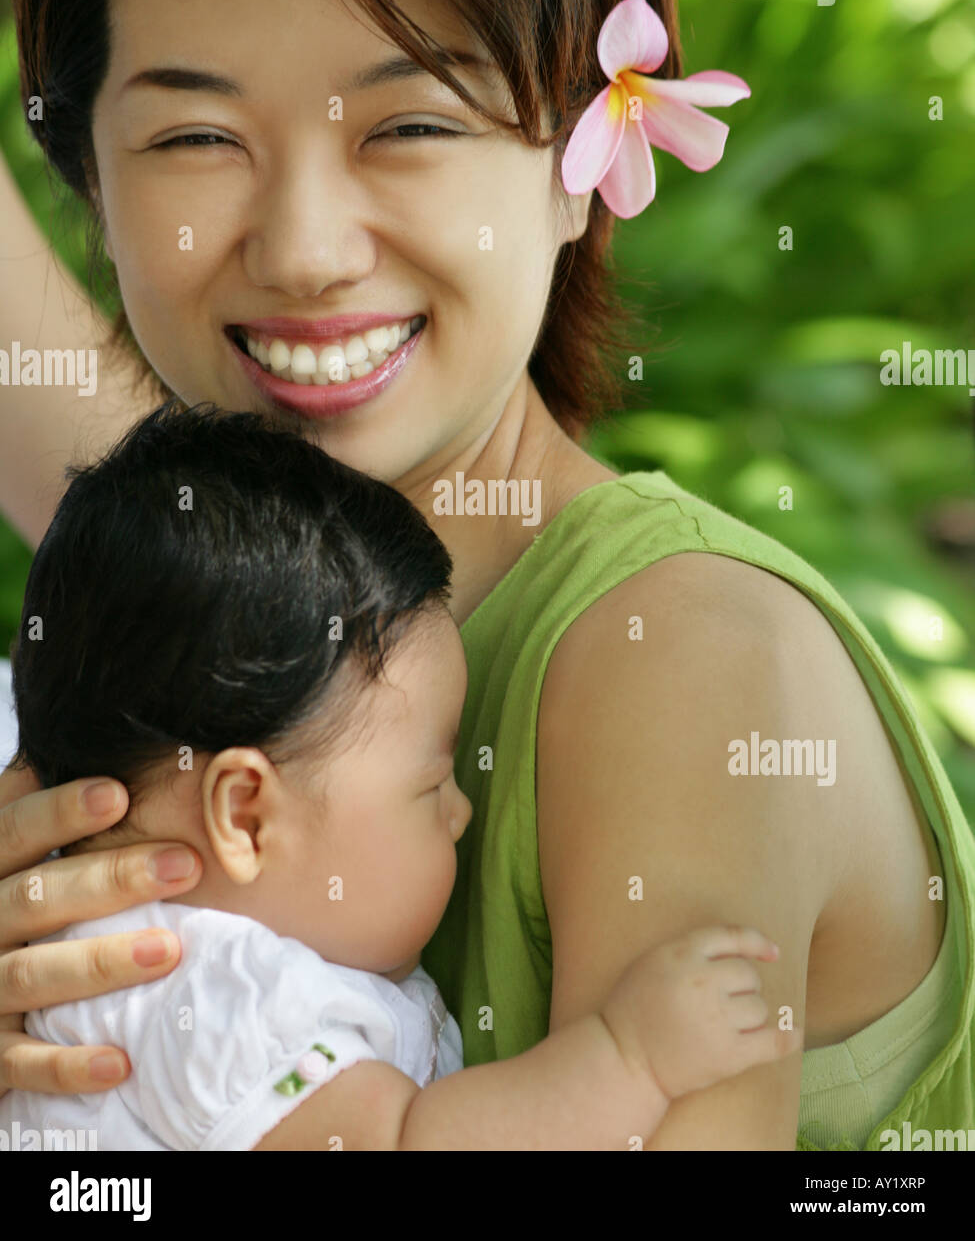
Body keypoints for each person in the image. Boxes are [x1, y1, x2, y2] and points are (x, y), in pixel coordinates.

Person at [0, 0, 972, 1151]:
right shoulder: (185, 577)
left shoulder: (681, 666)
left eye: (407, 125)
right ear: (90, 181)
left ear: (586, 155)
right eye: (193, 136)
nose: (301, 249)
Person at [0, 399, 793, 1149]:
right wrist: (628, 1058)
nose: (461, 813)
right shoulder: (212, 991)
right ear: (245, 815)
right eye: (430, 785)